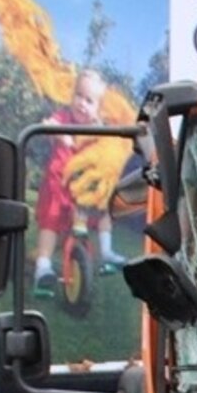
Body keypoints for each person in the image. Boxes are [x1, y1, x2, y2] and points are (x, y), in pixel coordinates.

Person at [31, 69, 126, 297]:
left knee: (103, 210)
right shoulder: (64, 118)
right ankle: (42, 266)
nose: (82, 104)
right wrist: (59, 133)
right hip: (58, 185)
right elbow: (49, 123)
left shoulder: (97, 129)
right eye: (79, 96)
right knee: (50, 222)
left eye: (89, 101)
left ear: (98, 109)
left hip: (82, 189)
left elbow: (107, 151)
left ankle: (106, 251)